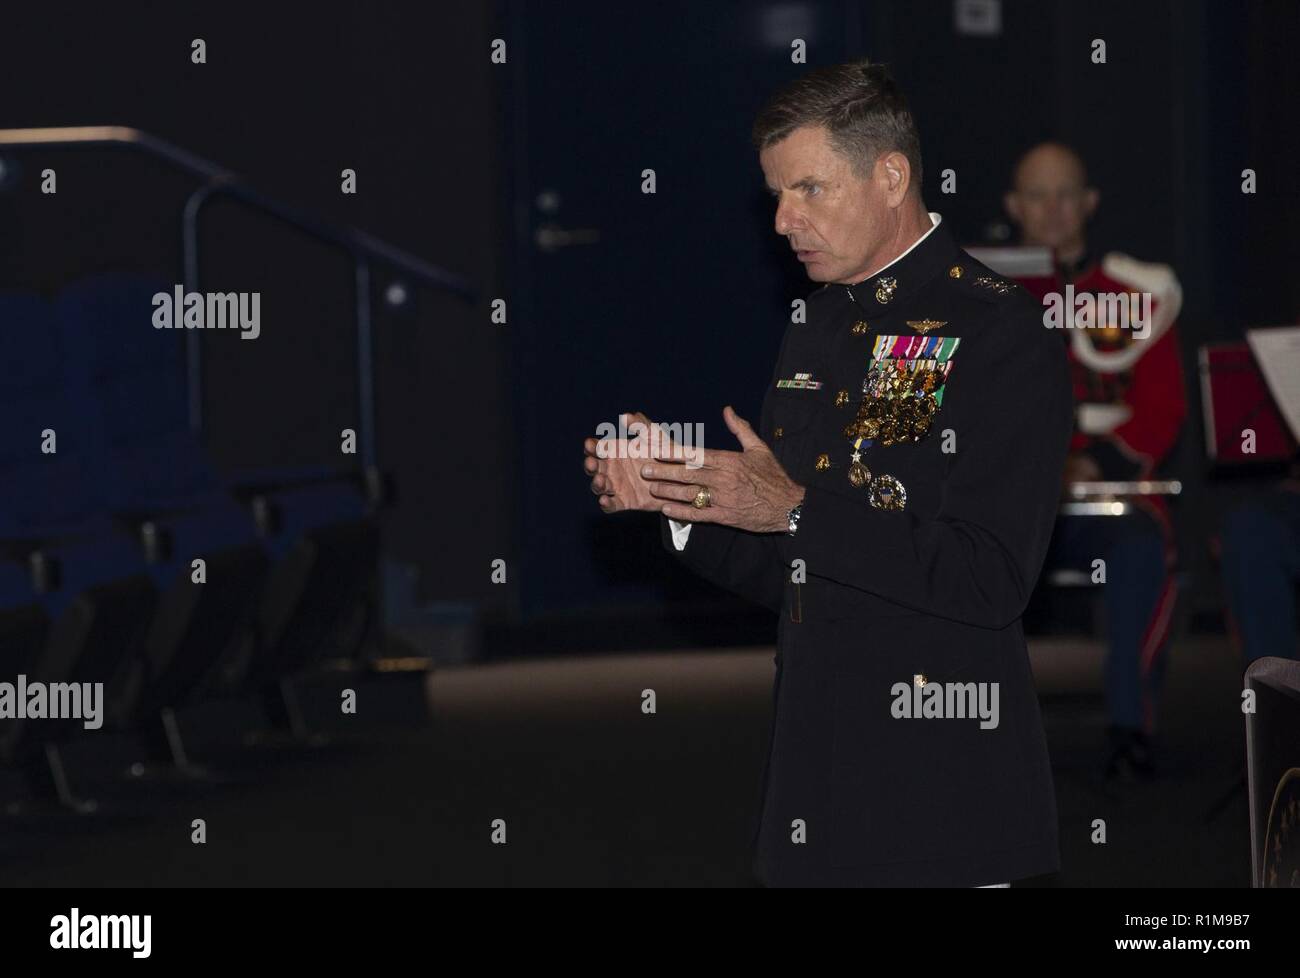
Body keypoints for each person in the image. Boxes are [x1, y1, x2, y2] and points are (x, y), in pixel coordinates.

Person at [583, 60, 1072, 887]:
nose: (782, 220)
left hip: (946, 795)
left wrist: (793, 509)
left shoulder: (999, 333)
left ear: (891, 176)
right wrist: (689, 501)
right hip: (816, 786)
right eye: (775, 194)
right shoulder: (816, 325)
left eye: (808, 189)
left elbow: (988, 577)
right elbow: (801, 570)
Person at [1004, 143, 1188, 781]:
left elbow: (1163, 407)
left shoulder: (1135, 292)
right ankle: (962, 734)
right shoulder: (977, 291)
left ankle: (1130, 725)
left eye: (1065, 194)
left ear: (1089, 203)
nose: (1052, 210)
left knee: (1141, 549)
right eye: (1037, 195)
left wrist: (1092, 463)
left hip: (1101, 502)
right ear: (1013, 206)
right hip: (1003, 507)